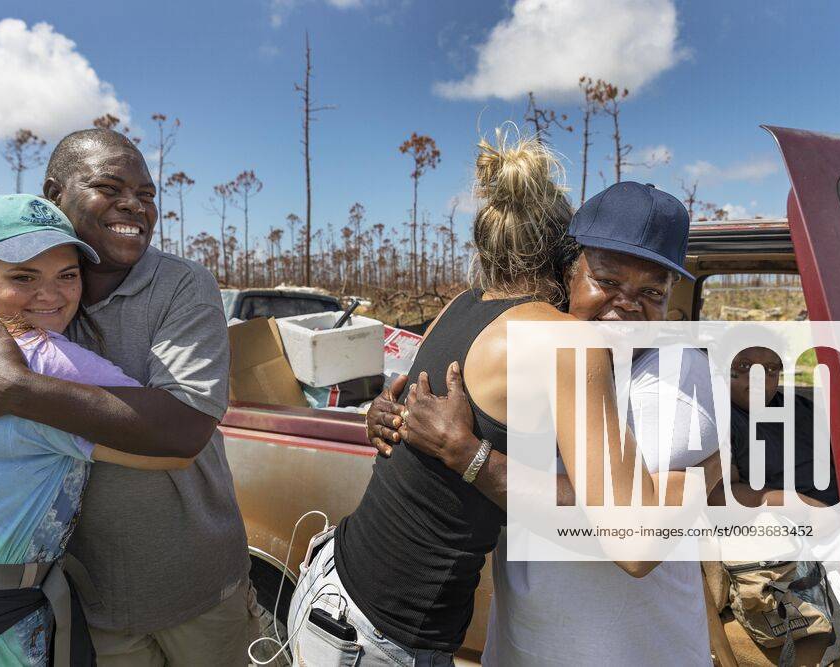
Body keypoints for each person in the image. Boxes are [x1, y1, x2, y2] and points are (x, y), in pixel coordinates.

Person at [287, 132, 715, 666]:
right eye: (608, 279)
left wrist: (441, 443)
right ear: (568, 265)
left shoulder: (461, 307)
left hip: (336, 583)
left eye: (652, 292)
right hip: (386, 633)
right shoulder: (566, 342)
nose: (627, 306)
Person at [0, 129, 259, 666]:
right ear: (56, 194)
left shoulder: (181, 286)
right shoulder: (1, 317)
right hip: (84, 587)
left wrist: (17, 390)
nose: (134, 206)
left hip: (192, 578)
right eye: (110, 187)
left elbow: (183, 432)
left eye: (146, 194)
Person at [728, 346, 839, 506]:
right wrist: (805, 507)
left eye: (771, 369)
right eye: (745, 366)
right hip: (789, 520)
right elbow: (724, 493)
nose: (759, 376)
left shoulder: (800, 408)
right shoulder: (721, 419)